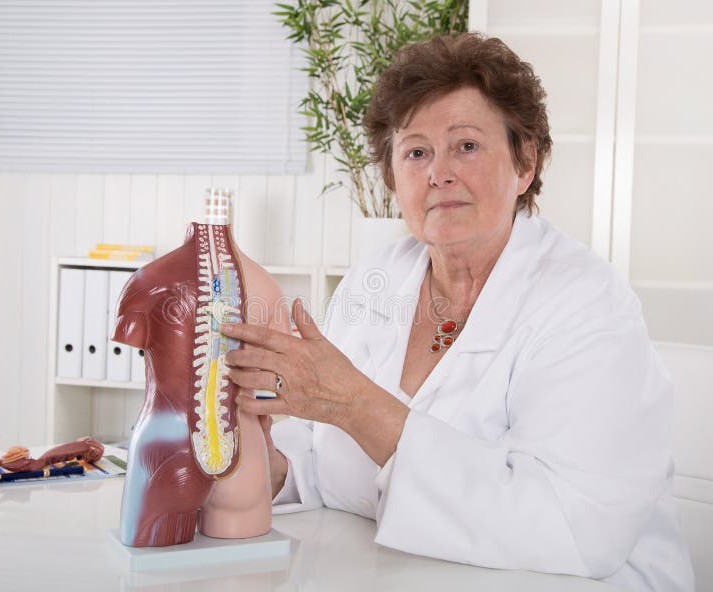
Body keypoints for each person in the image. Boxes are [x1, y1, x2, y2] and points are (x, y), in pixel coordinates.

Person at [220, 33, 694, 592]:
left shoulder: (588, 305)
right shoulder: (376, 281)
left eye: (466, 146)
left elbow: (571, 528)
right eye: (416, 152)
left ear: (524, 163)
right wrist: (246, 456)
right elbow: (319, 463)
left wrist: (353, 403)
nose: (438, 172)